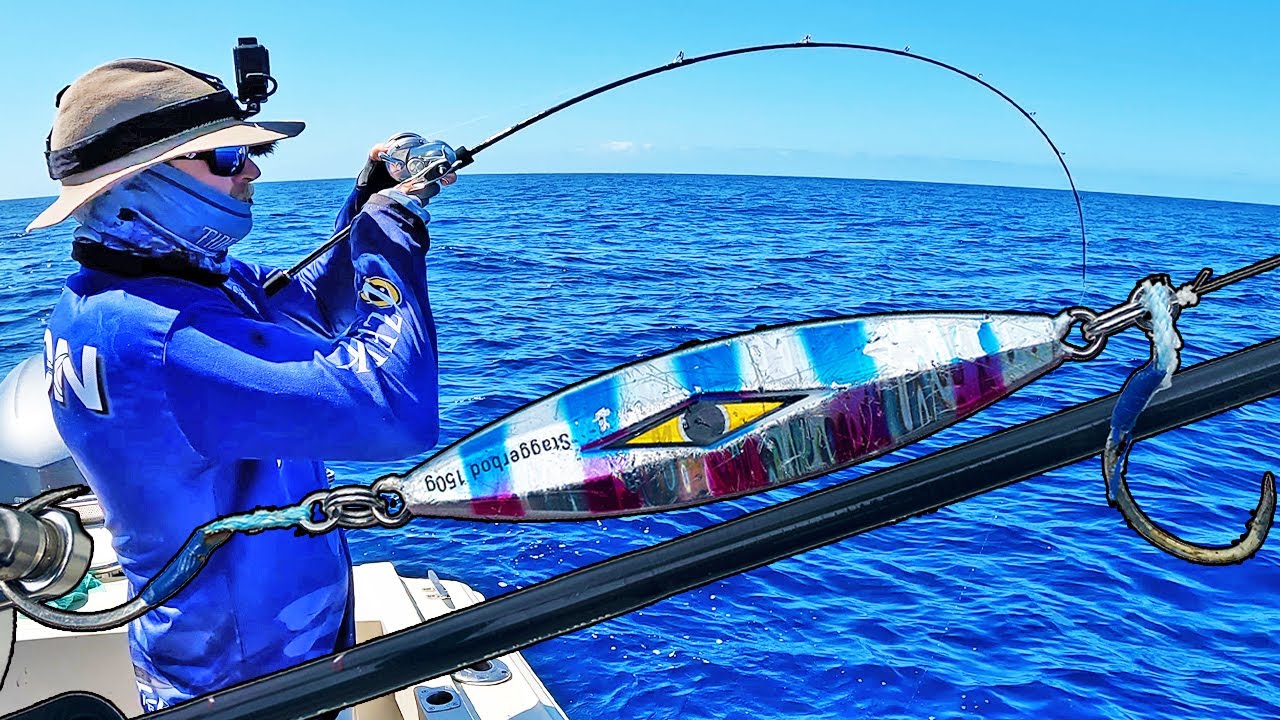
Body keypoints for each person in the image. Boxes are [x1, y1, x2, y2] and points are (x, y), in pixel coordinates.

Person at [29, 57, 452, 712]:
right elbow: (395, 411)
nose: (253, 169)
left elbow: (313, 307)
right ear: (137, 181)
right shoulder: (167, 341)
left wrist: (368, 201)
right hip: (245, 684)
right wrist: (391, 237)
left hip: (242, 662)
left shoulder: (137, 294)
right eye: (226, 154)